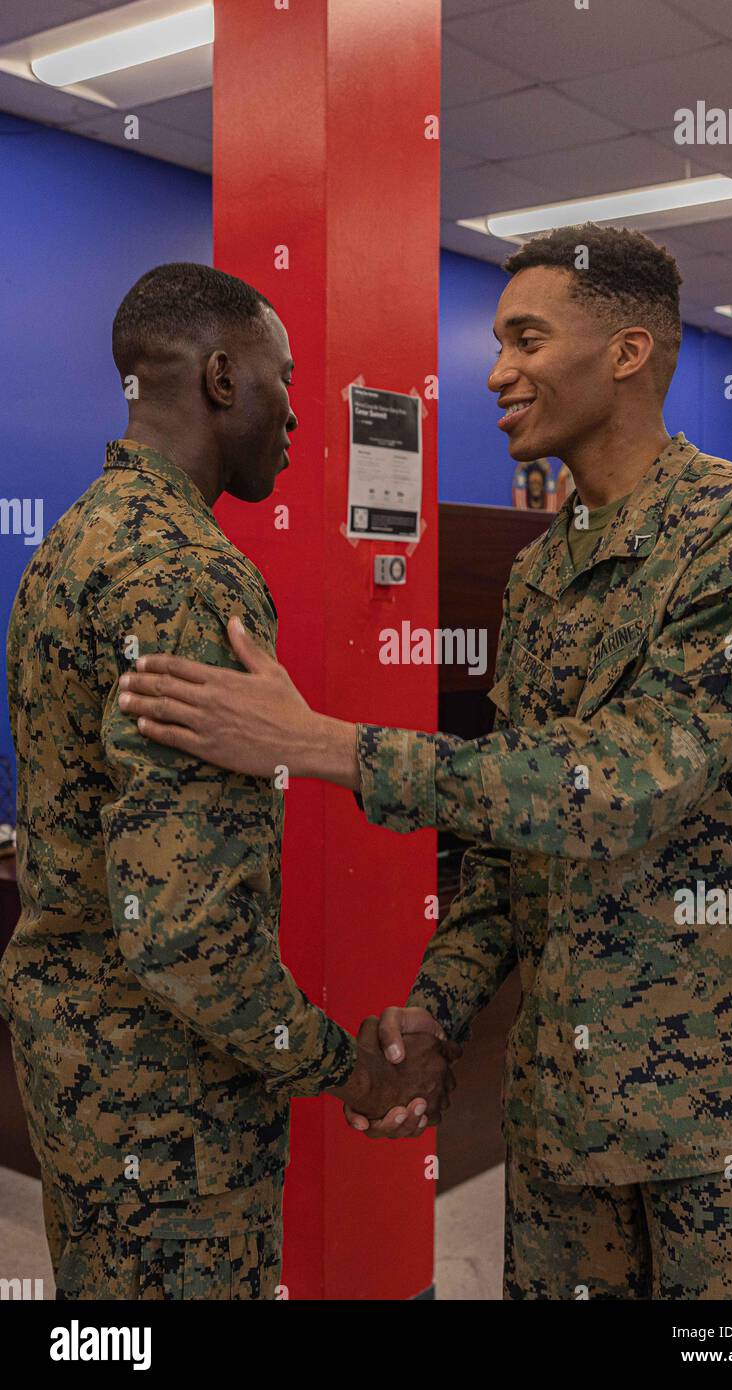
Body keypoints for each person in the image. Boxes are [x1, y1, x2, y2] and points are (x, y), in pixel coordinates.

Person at [117, 226, 732, 1300]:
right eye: (495, 340)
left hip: (728, 1109)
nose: (493, 371)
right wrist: (436, 1010)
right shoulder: (542, 574)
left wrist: (316, 743)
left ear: (623, 352)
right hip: (567, 1103)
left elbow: (618, 785)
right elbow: (513, 840)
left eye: (525, 337)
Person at [0, 262, 456, 1301]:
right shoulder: (189, 576)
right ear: (219, 377)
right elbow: (186, 932)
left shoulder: (73, 539)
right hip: (168, 1110)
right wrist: (346, 1065)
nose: (296, 411)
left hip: (80, 1064)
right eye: (282, 376)